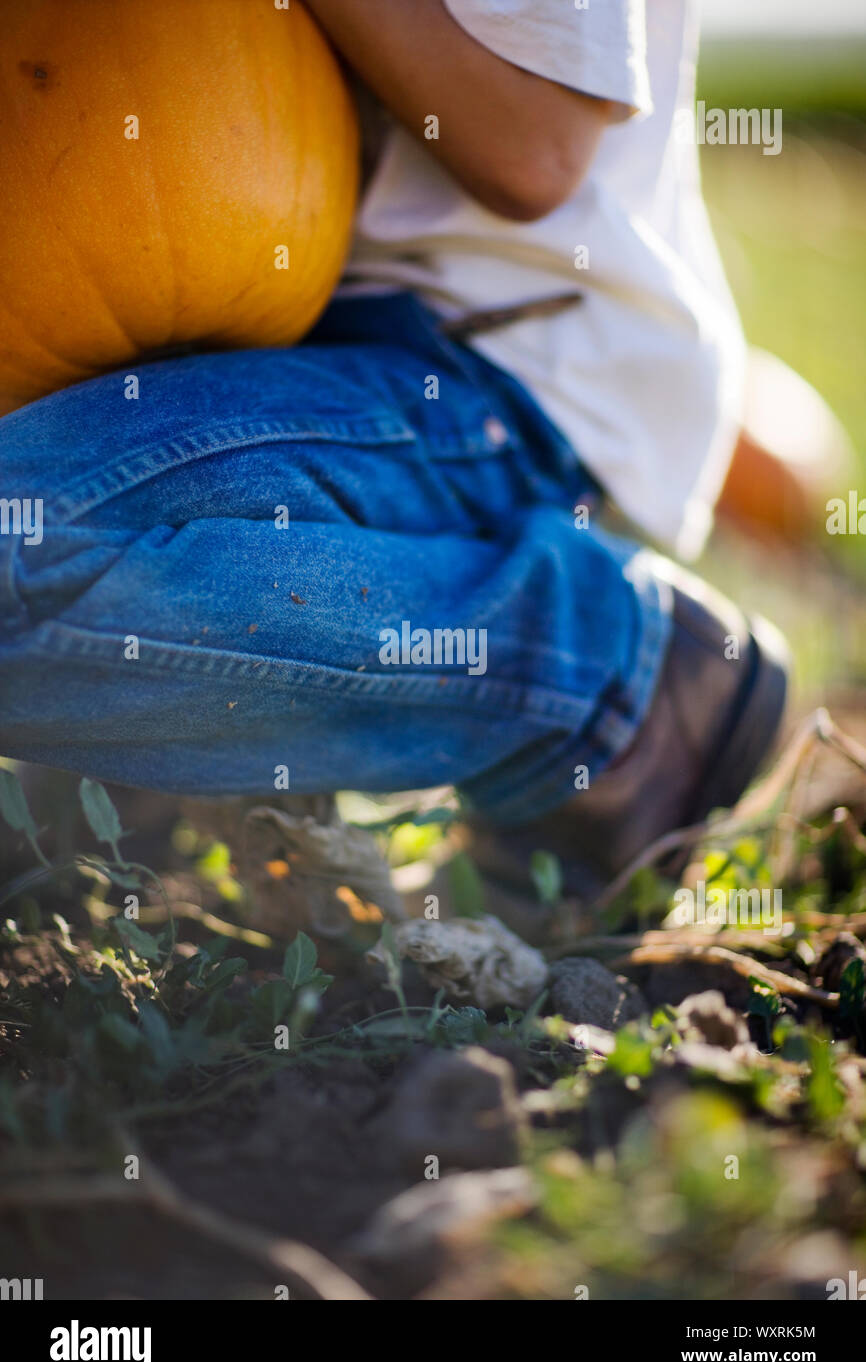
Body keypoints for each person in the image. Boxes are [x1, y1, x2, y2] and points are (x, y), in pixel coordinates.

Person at [0, 0, 789, 905]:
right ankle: (121, 785)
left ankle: (599, 666)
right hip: (267, 341)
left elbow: (538, 145)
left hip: (488, 369)